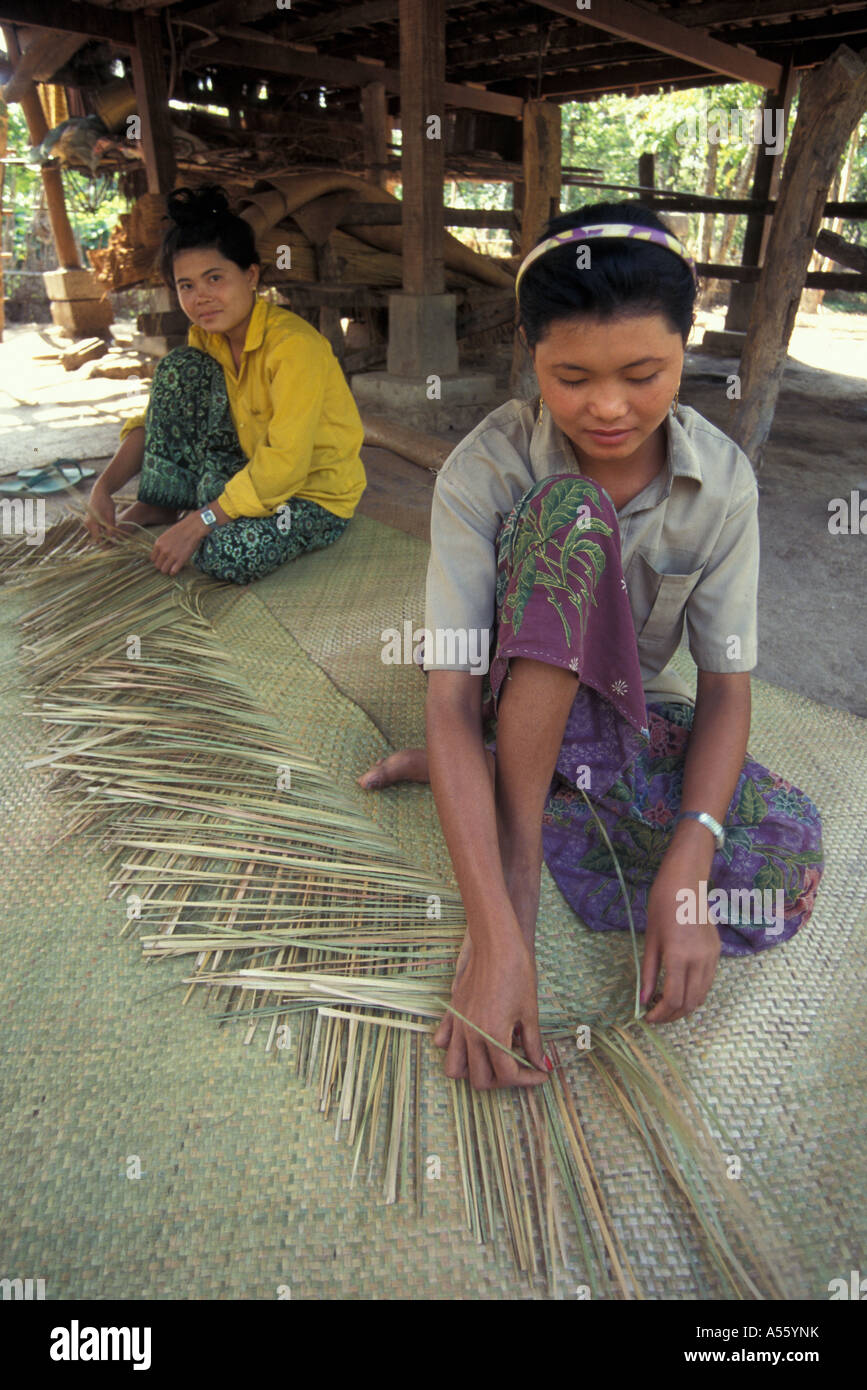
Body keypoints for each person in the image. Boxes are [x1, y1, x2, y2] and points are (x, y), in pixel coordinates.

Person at [359, 201, 824, 1092]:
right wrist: (500, 930)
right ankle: (521, 858)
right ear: (530, 359)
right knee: (574, 519)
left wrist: (689, 859)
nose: (608, 407)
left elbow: (725, 688)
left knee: (780, 859)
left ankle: (493, 779)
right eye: (570, 377)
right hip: (499, 702)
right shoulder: (485, 469)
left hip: (618, 720)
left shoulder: (721, 484)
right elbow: (450, 694)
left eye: (643, 372)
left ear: (685, 349)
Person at [85, 184, 366, 584]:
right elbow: (157, 421)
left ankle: (193, 513)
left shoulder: (294, 348)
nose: (201, 297)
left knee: (223, 552)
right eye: (187, 286)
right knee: (180, 369)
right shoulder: (207, 338)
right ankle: (160, 504)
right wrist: (104, 487)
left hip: (310, 493)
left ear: (251, 276)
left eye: (214, 278)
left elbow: (285, 466)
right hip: (250, 466)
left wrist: (202, 520)